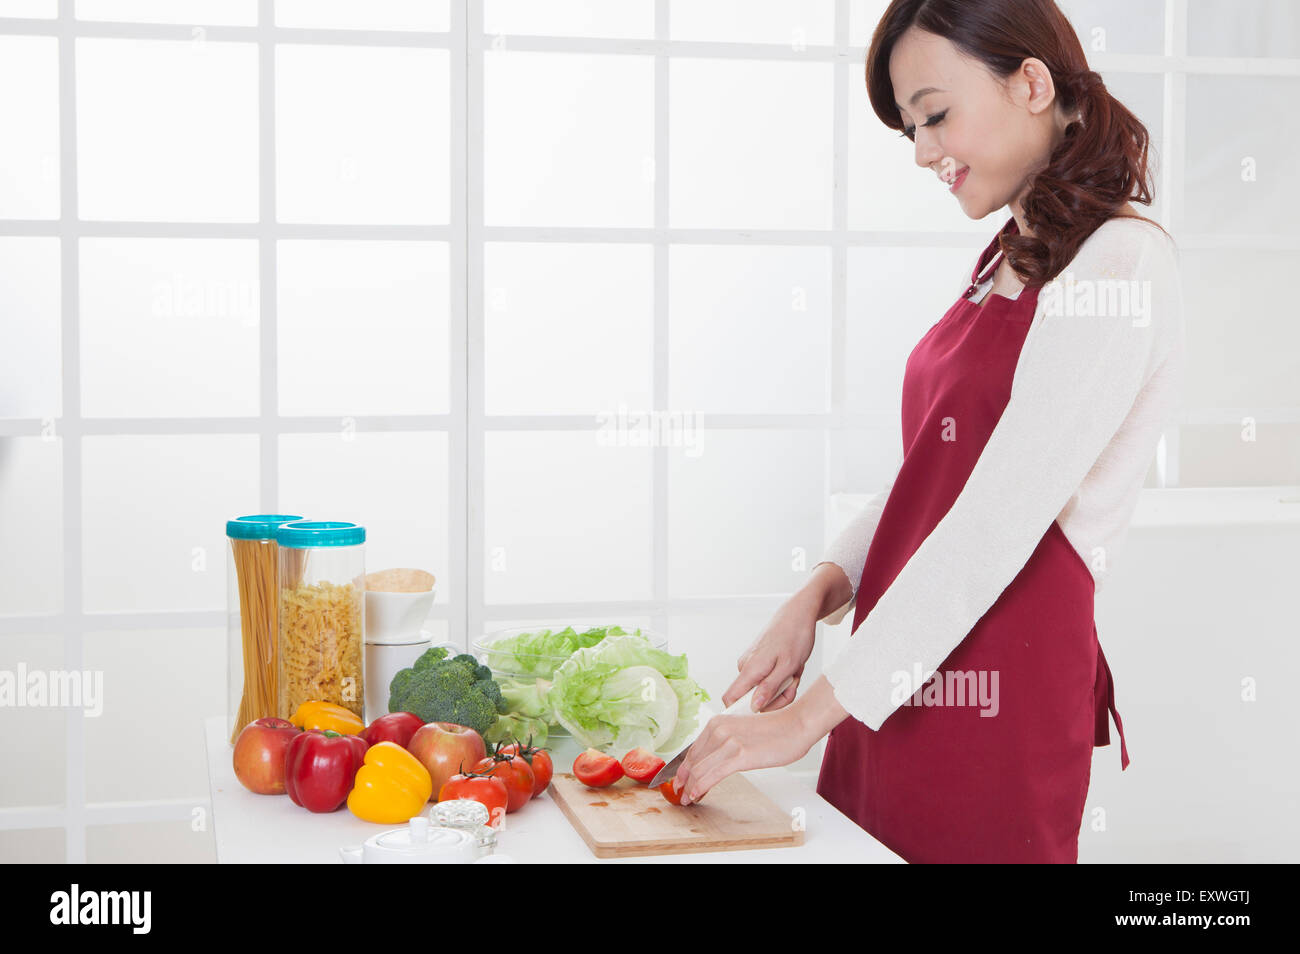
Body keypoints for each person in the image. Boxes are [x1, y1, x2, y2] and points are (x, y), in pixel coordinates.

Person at [673, 0, 1185, 863]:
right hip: (891, 671)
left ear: (1031, 82)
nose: (922, 153)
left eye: (936, 115)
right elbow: (934, 477)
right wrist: (819, 593)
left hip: (993, 695)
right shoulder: (1009, 260)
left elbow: (995, 520)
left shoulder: (1121, 266)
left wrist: (807, 716)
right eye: (911, 130)